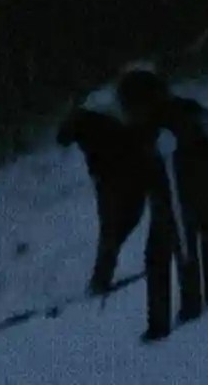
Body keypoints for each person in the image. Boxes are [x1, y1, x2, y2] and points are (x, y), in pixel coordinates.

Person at [117, 70, 208, 341]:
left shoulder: (167, 130)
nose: (126, 115)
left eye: (129, 107)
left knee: (186, 241)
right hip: (191, 182)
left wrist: (191, 301)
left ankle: (201, 310)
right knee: (175, 245)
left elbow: (180, 222)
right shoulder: (168, 119)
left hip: (193, 185)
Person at [56, 107, 149, 295]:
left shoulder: (92, 126)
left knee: (113, 228)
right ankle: (100, 278)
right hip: (123, 178)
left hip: (117, 179)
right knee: (118, 226)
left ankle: (100, 279)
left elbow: (65, 138)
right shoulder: (98, 124)